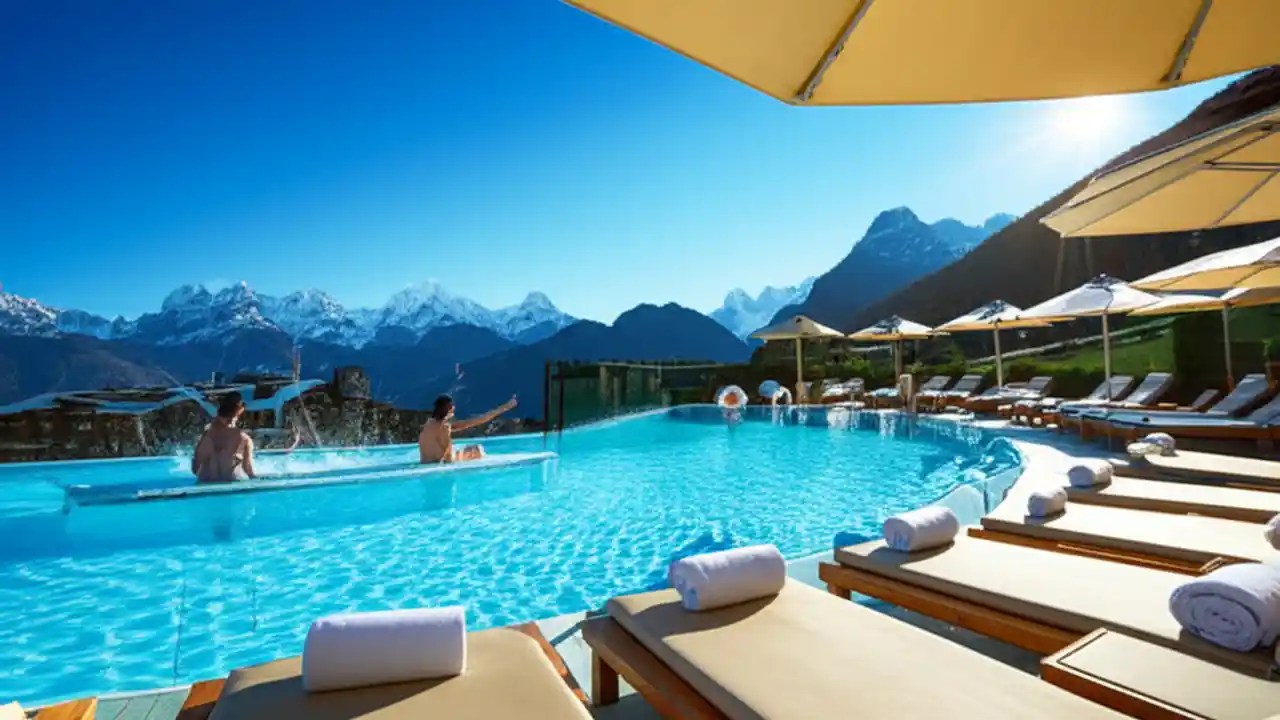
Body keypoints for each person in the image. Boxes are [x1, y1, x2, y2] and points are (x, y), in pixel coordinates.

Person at [419, 394, 517, 463]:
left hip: (425, 462)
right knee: (478, 450)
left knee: (472, 449)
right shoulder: (445, 427)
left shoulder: (429, 423)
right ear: (448, 409)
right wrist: (506, 407)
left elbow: (476, 421)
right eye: (452, 407)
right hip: (438, 463)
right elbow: (447, 459)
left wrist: (505, 407)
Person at [191, 392, 256, 483]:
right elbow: (249, 471)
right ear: (240, 411)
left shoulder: (208, 437)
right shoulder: (244, 439)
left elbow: (195, 468)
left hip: (206, 483)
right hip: (231, 485)